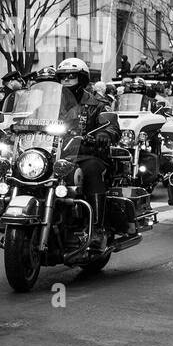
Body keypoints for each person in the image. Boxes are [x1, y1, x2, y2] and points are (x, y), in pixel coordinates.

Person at [55, 58, 116, 252]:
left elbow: (112, 125)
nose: (66, 81)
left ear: (82, 78)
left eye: (71, 76)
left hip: (86, 154)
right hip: (56, 155)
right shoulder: (51, 102)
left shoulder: (96, 102)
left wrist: (104, 133)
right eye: (63, 77)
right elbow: (33, 117)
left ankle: (97, 228)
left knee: (90, 170)